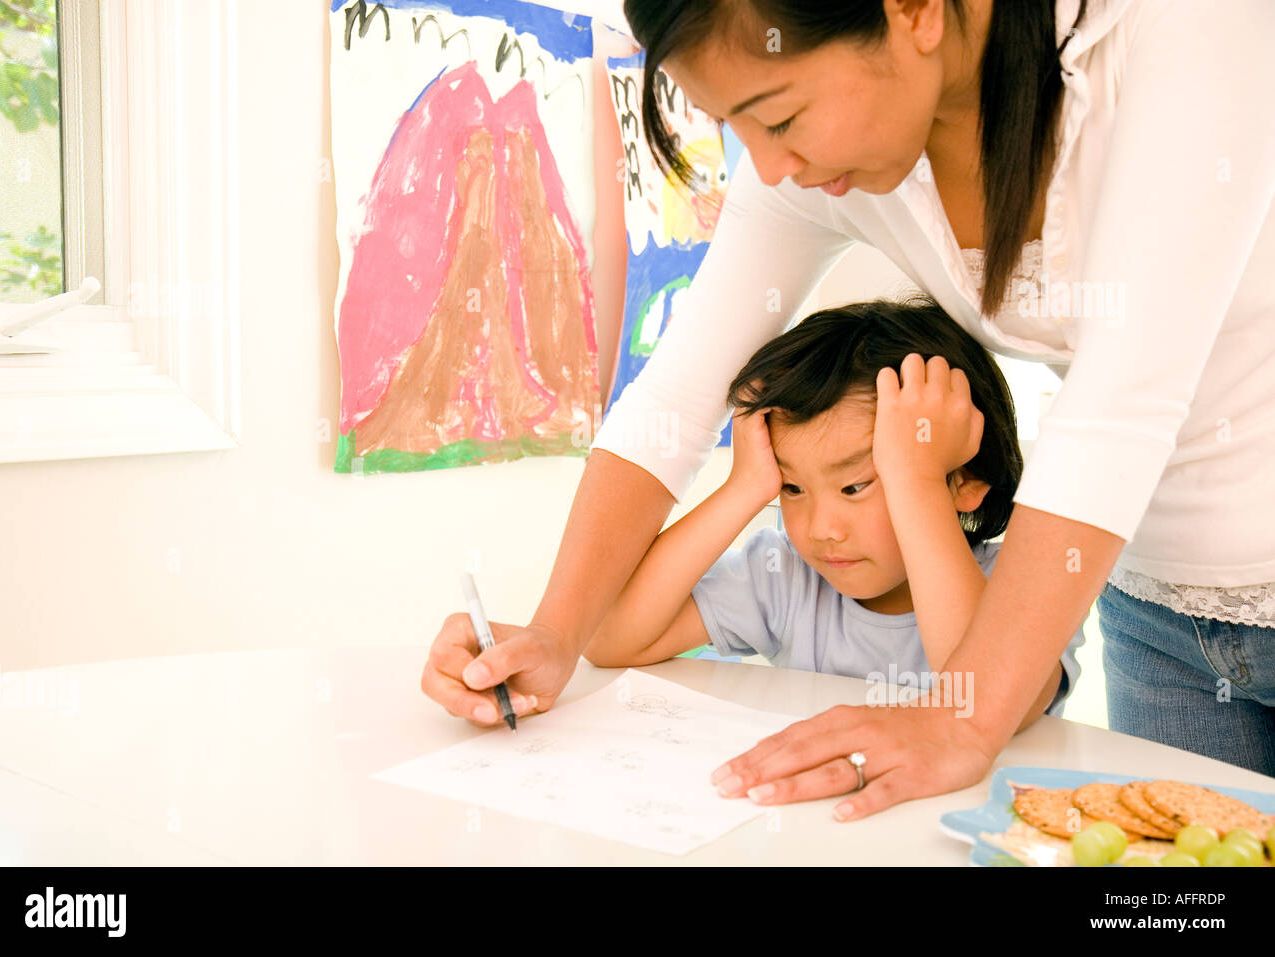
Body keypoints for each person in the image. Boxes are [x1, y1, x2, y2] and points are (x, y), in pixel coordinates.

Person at [421, 0, 1275, 817]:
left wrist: (962, 717)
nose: (768, 166)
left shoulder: (1180, 27)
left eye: (780, 117)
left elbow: (1118, 405)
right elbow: (678, 395)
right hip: (1155, 605)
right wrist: (554, 632)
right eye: (736, 126)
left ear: (914, 10)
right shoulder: (831, 164)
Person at [581, 297, 1085, 754]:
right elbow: (610, 640)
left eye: (855, 486)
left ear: (967, 479)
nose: (822, 529)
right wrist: (744, 487)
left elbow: (983, 700)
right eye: (792, 488)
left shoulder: (1021, 590)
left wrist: (918, 480)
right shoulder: (784, 576)